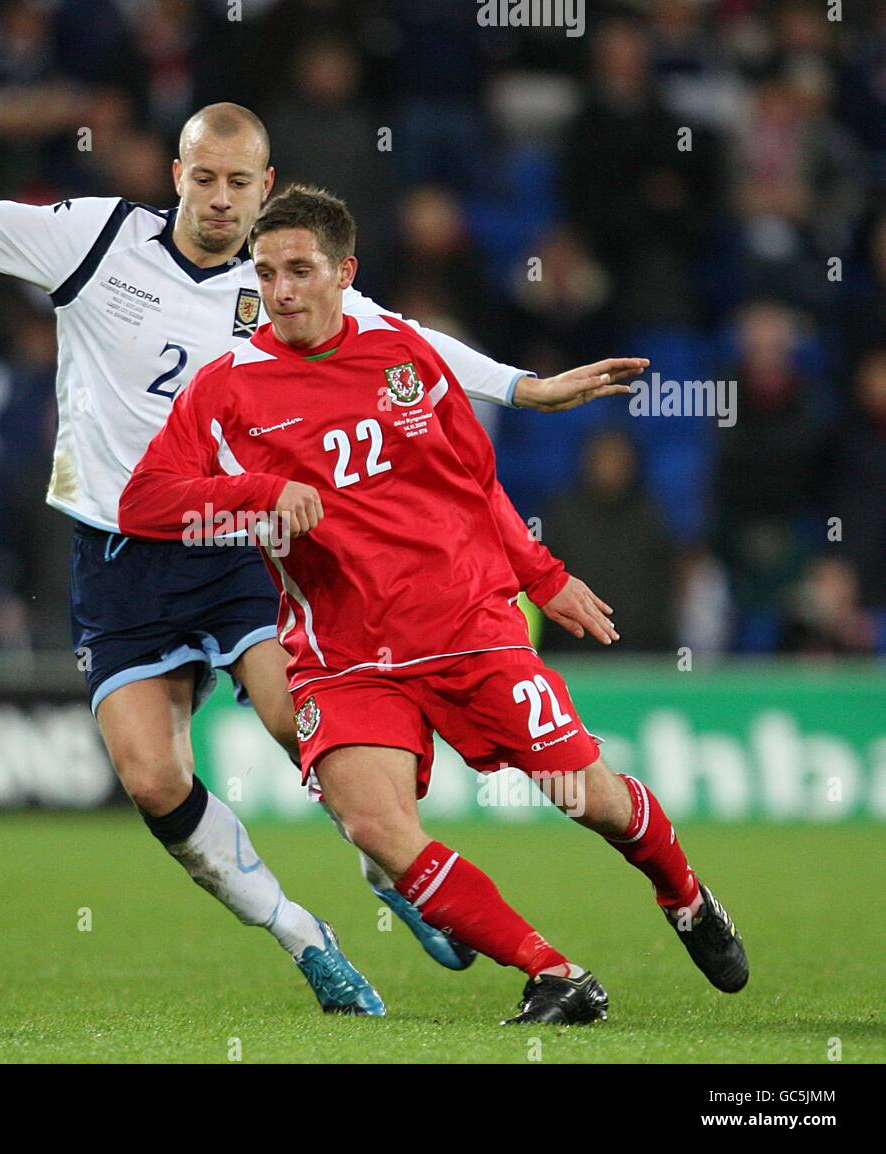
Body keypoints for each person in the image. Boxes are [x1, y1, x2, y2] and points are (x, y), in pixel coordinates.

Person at [0, 26, 647, 1015]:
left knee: (298, 722)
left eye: (239, 182)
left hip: (242, 544)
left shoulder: (280, 290)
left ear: (268, 190)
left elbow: (406, 339)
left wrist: (526, 387)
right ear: (176, 173)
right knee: (149, 775)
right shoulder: (93, 241)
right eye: (203, 176)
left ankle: (394, 864)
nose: (219, 197)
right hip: (117, 555)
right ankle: (301, 935)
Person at [119, 186, 750, 1025]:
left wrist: (543, 575)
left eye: (301, 270)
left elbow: (477, 483)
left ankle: (684, 894)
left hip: (464, 626)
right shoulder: (226, 388)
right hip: (341, 656)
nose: (283, 291)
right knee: (374, 826)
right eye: (266, 273)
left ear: (346, 273)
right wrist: (256, 495)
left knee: (584, 794)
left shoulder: (404, 353)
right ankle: (553, 974)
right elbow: (144, 504)